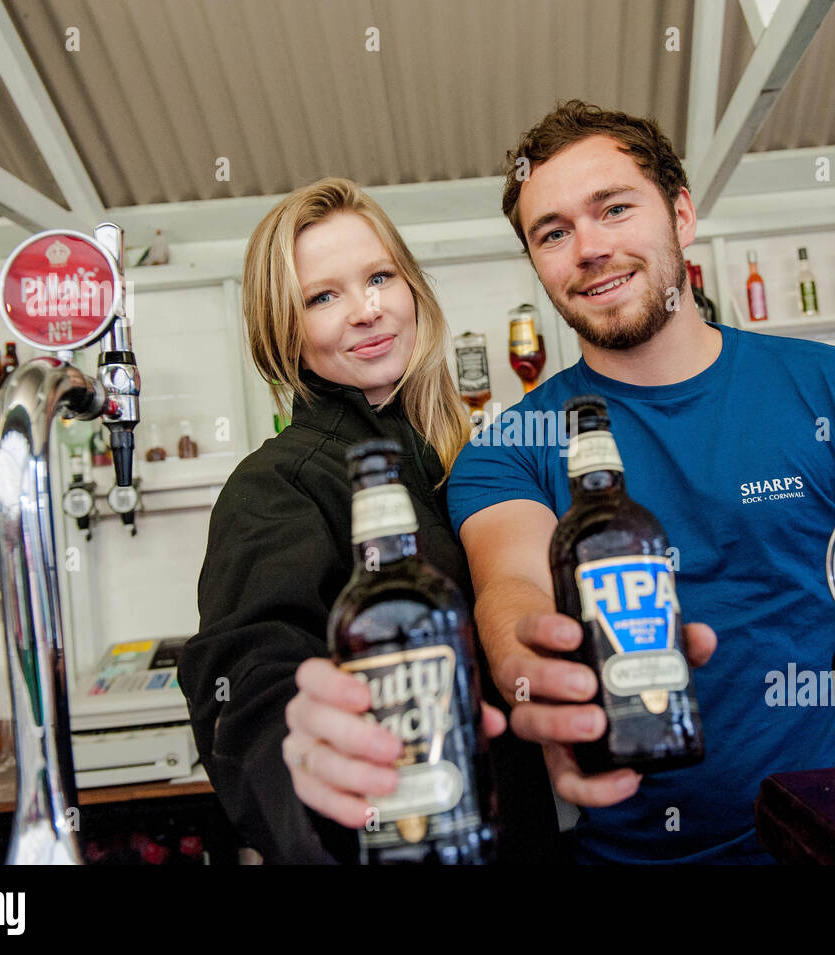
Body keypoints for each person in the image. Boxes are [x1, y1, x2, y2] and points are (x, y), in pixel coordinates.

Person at [447, 101, 835, 864]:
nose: (589, 248)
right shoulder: (510, 445)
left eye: (614, 208)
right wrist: (530, 669)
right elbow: (511, 585)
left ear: (681, 215)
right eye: (553, 232)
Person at [178, 177, 558, 864]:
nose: (367, 310)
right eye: (322, 296)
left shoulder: (456, 465)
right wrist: (304, 763)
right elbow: (248, 680)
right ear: (284, 334)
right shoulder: (276, 484)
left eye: (379, 277)